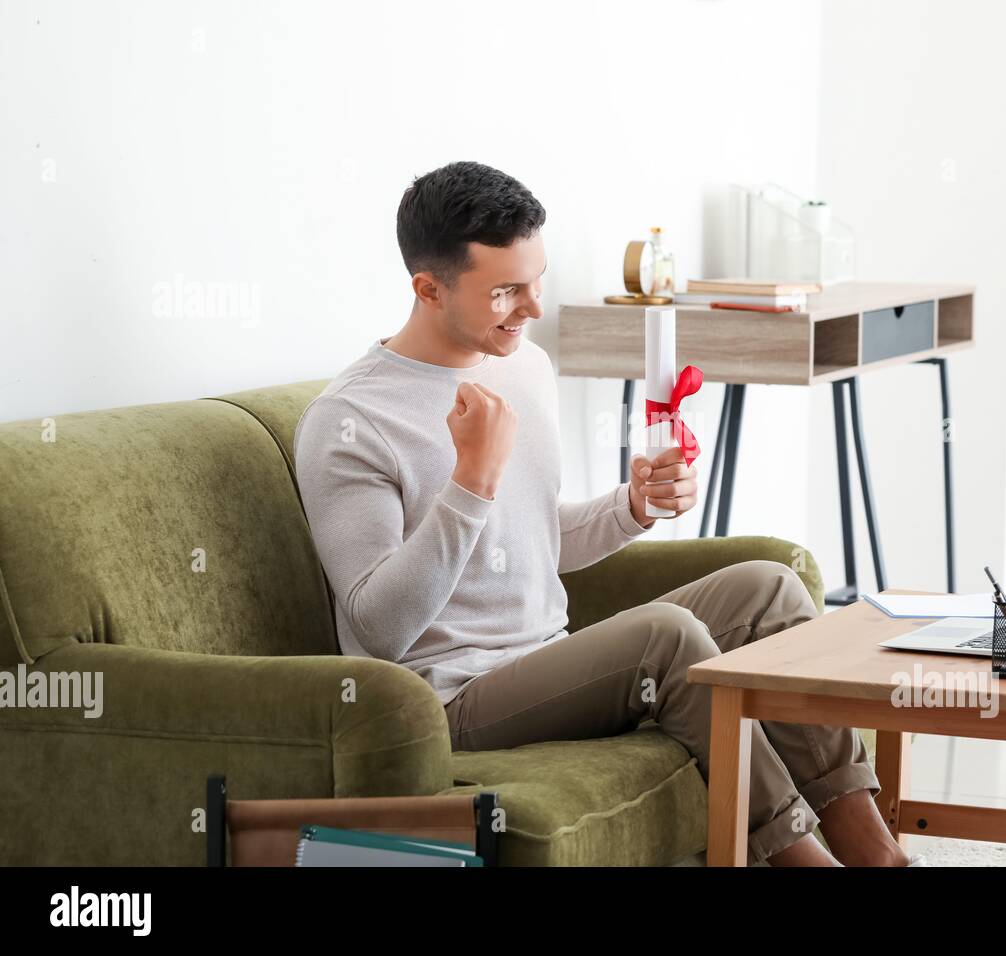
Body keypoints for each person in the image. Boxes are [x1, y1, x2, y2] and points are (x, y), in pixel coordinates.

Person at [293, 160, 918, 867]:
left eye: (537, 282)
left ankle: (878, 855)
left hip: (545, 656)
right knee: (668, 638)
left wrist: (630, 507)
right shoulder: (350, 420)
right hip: (451, 699)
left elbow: (531, 539)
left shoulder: (521, 366)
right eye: (505, 291)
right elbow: (378, 628)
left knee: (768, 586)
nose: (531, 309)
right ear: (428, 288)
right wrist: (471, 481)